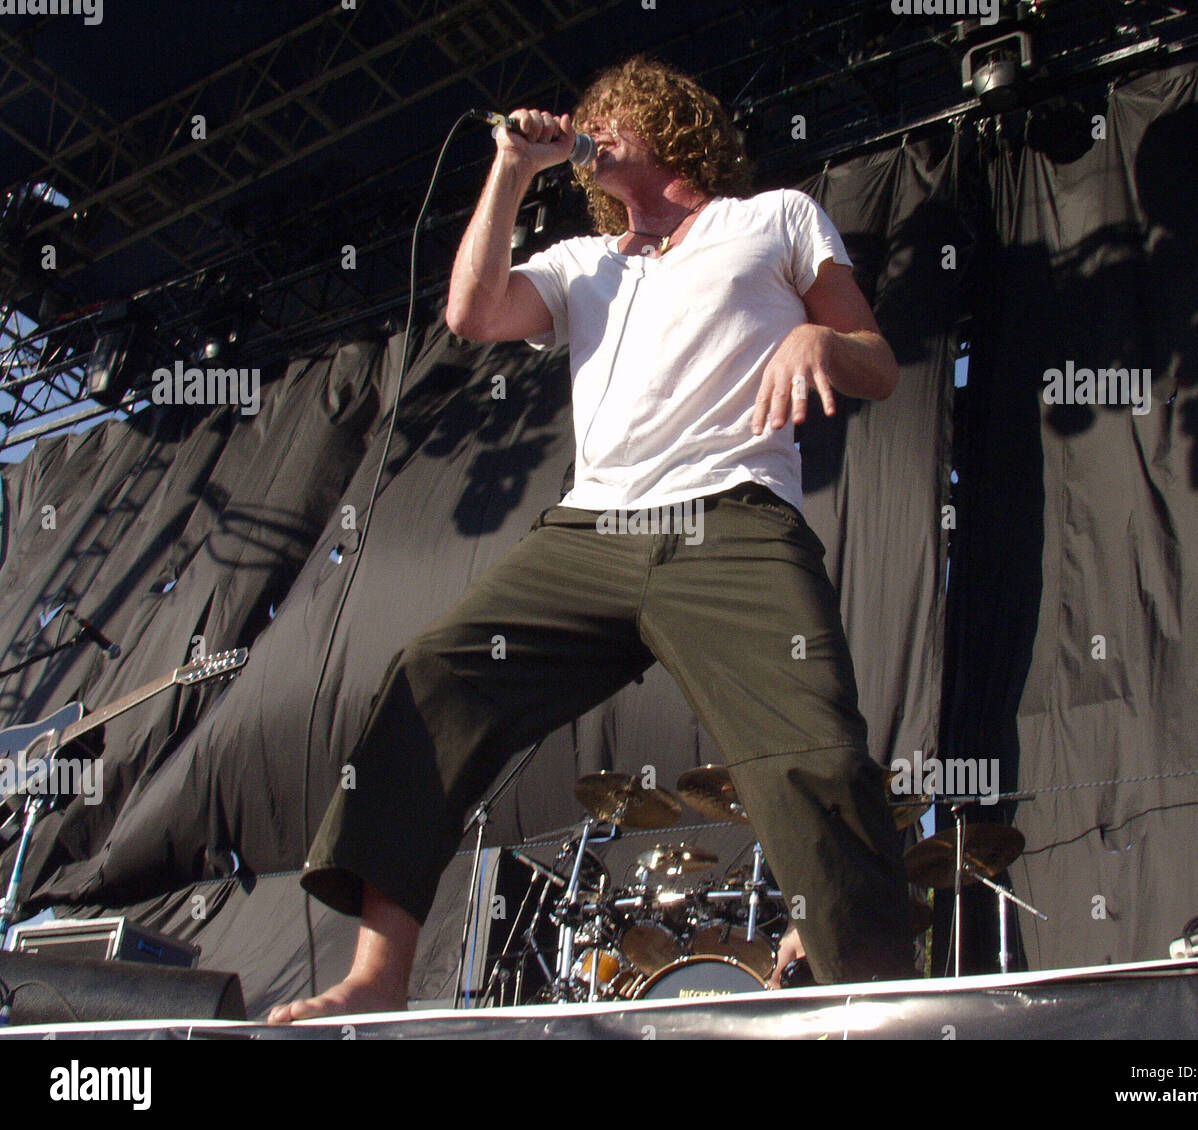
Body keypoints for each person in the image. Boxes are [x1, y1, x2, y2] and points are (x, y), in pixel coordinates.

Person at [269, 56, 911, 1024]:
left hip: (727, 519)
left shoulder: (771, 216)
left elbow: (876, 364)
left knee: (811, 750)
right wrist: (511, 171)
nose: (591, 129)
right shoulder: (583, 262)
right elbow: (473, 313)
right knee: (432, 675)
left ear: (665, 125)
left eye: (610, 117)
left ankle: (873, 994)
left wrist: (820, 341)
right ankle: (376, 975)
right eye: (586, 122)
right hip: (593, 529)